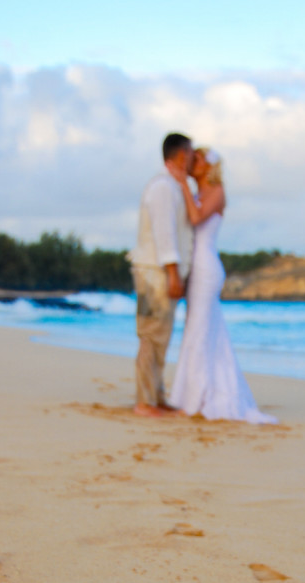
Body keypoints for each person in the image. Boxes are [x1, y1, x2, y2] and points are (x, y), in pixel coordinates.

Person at [167, 148, 276, 424]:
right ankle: (193, 395)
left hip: (206, 267)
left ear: (209, 166)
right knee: (201, 330)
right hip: (194, 267)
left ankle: (196, 400)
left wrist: (182, 184)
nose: (193, 162)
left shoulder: (217, 192)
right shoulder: (198, 192)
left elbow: (196, 218)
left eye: (198, 158)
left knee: (201, 331)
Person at [128, 133, 194, 417]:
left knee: (160, 336)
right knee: (151, 335)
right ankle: (144, 402)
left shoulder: (172, 187)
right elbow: (164, 232)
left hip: (158, 270)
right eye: (190, 154)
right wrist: (173, 273)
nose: (193, 159)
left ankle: (155, 396)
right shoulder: (163, 187)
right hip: (154, 272)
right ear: (180, 156)